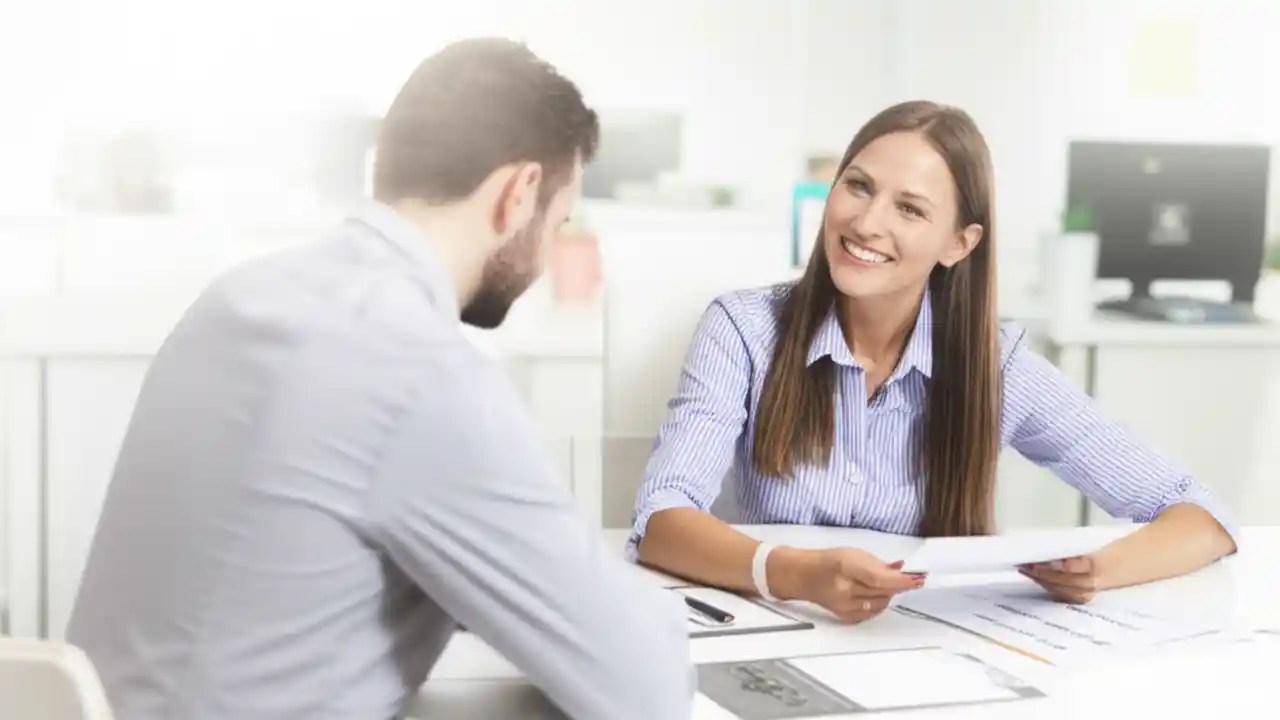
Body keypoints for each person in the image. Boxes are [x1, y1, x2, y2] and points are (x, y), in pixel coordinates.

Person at [68, 38, 693, 720]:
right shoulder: (425, 375)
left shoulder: (237, 299)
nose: (549, 251)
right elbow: (645, 690)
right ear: (519, 193)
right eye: (561, 219)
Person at [631, 100, 1238, 623]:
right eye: (859, 186)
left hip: (932, 643)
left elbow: (1201, 515)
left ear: (960, 243)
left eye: (911, 209)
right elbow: (662, 519)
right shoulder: (743, 329)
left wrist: (1098, 569)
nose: (866, 223)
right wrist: (798, 575)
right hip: (780, 624)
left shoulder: (997, 366)